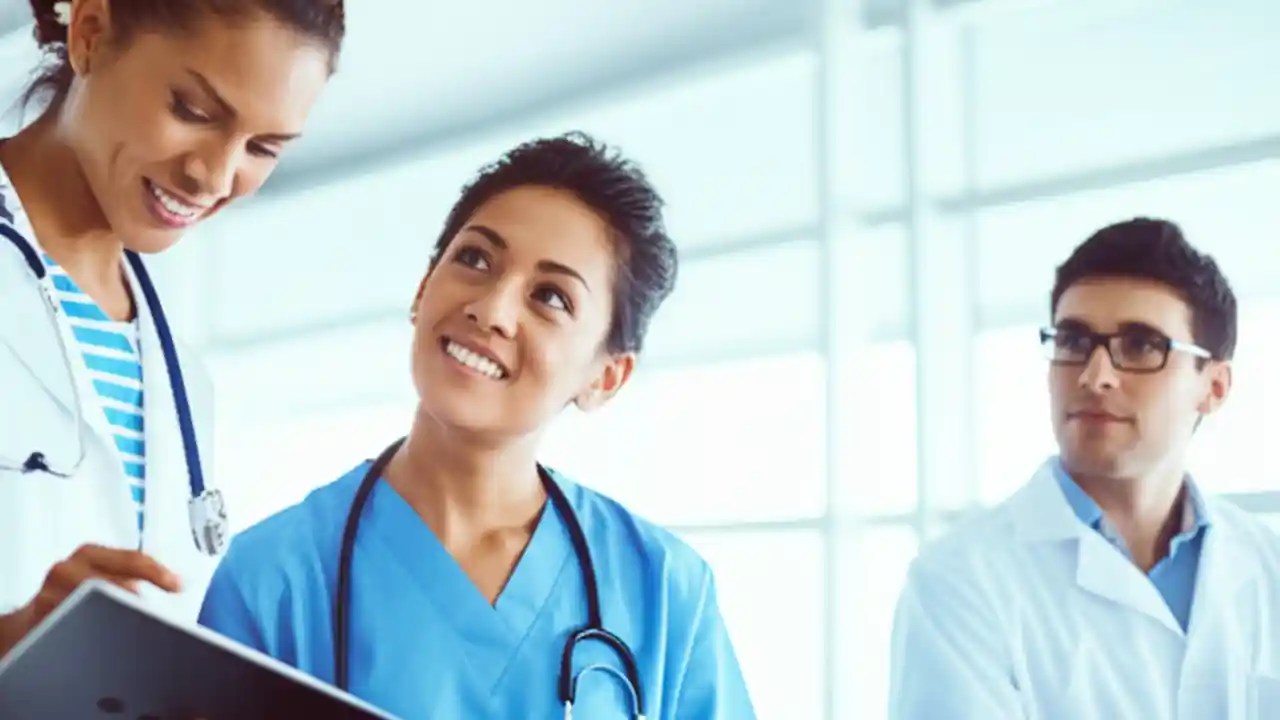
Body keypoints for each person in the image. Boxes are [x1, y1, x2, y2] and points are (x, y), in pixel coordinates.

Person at [197, 132, 757, 719]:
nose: (491, 310)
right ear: (421, 289)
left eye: (551, 297)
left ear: (606, 377)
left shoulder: (664, 591)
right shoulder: (276, 577)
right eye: (475, 259)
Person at [0, 0, 344, 659]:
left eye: (263, 147)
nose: (213, 175)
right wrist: (16, 639)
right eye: (192, 110)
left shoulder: (184, 382)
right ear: (91, 34)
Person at [888, 218, 1280, 719]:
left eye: (1141, 346)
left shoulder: (1267, 567)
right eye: (1074, 343)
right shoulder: (957, 583)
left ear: (1215, 387)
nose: (1096, 377)